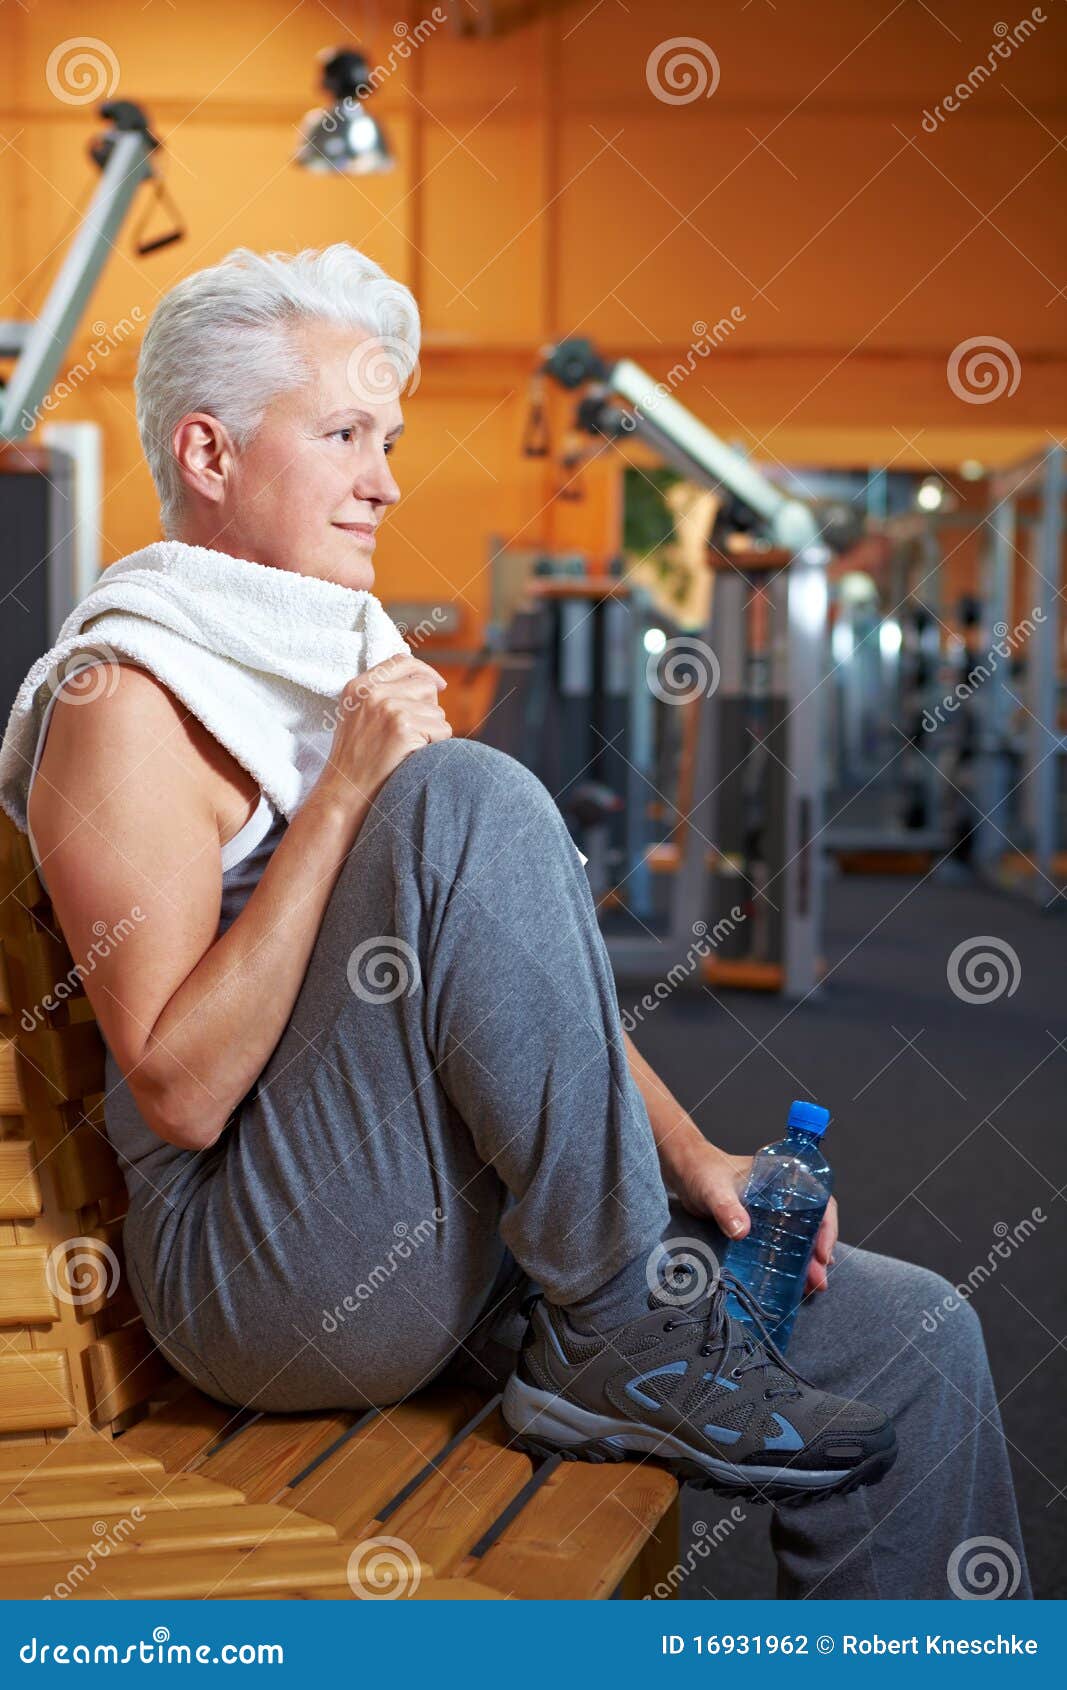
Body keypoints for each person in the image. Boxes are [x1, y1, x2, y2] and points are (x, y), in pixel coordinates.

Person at [23, 245, 1030, 1599]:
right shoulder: (122, 698)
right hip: (261, 1275)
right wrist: (346, 802)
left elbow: (514, 982)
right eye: (343, 436)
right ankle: (617, 1326)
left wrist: (688, 1155)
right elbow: (183, 1090)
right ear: (209, 451)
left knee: (920, 1338)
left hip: (456, 1235)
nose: (385, 478)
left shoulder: (338, 660)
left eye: (388, 439)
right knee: (463, 792)